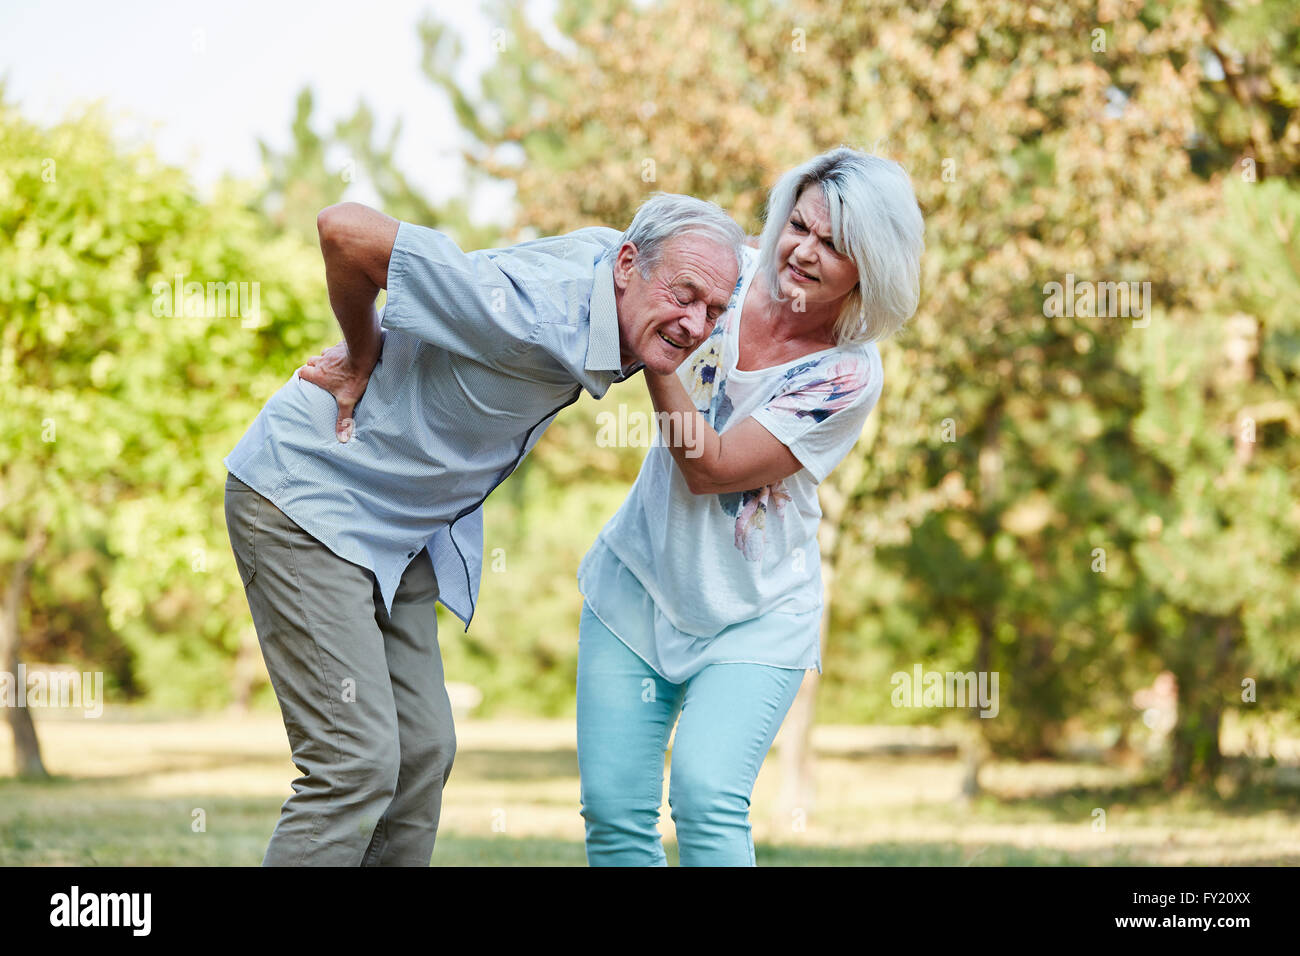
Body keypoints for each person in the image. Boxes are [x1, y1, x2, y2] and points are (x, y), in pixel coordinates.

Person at [223, 194, 744, 866]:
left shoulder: (645, 275)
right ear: (625, 265)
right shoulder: (527, 306)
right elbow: (345, 230)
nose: (696, 323)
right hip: (309, 497)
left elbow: (745, 265)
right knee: (354, 763)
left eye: (715, 310)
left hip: (396, 531)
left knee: (422, 753)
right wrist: (361, 354)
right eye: (686, 296)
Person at [575, 147, 926, 866]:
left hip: (755, 613)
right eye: (799, 224)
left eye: (835, 245)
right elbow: (602, 266)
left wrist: (661, 359)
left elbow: (714, 470)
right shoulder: (723, 277)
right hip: (635, 584)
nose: (803, 250)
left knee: (706, 798)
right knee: (614, 815)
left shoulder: (847, 374)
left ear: (872, 266)